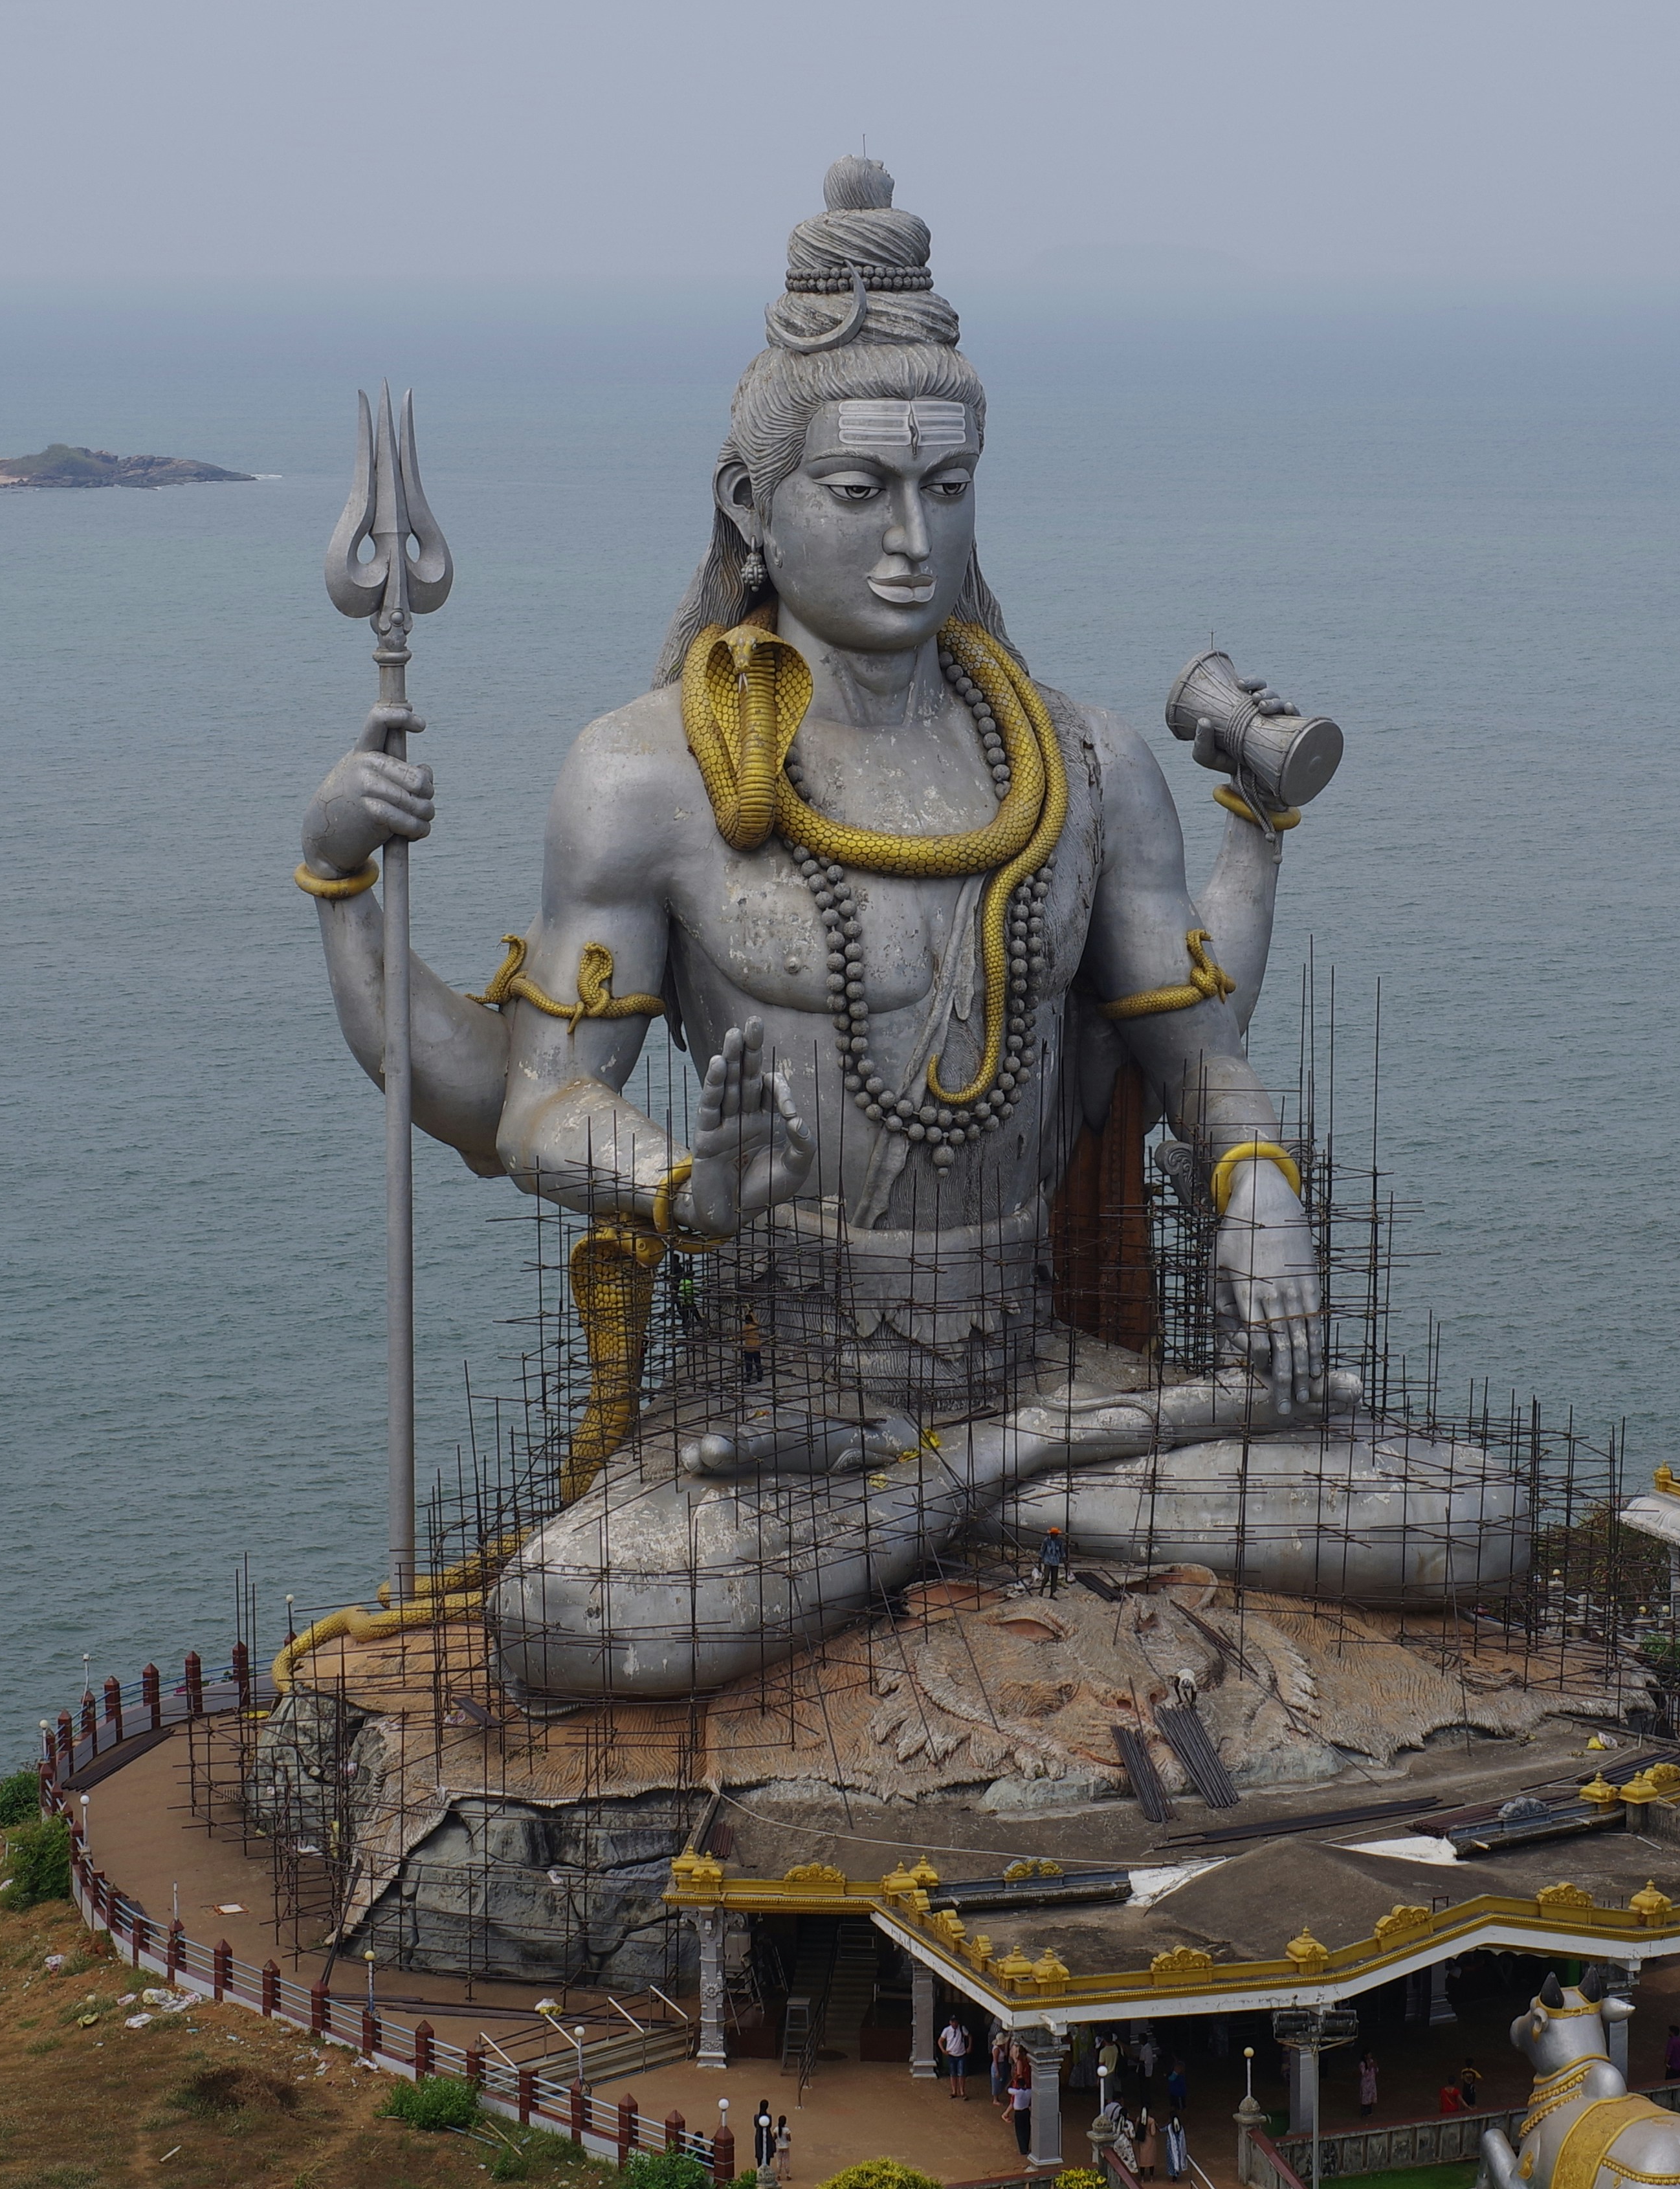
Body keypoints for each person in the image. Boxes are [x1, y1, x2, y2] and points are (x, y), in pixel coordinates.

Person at [293, 166, 1531, 1701]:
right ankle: (1011, 1486)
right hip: (781, 1396)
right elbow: (534, 1101)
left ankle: (971, 1479)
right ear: (752, 503)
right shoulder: (646, 771)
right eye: (859, 490)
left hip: (1031, 1357)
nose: (909, 541)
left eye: (946, 490)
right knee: (580, 1613)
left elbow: (1194, 1052)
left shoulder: (1078, 762)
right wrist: (673, 1179)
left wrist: (1259, 1188)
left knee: (1466, 1512)